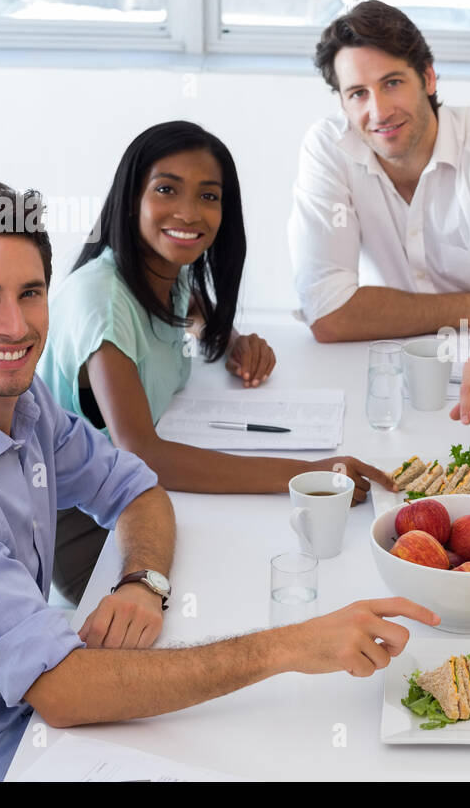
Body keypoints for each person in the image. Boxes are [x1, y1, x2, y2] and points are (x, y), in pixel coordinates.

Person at [0, 181, 438, 781]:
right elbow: (65, 691)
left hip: (19, 717)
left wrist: (143, 580)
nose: (15, 325)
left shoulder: (13, 394)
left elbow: (135, 486)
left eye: (30, 293)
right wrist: (290, 646)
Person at [39, 121, 392, 603]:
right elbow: (143, 453)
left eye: (209, 196)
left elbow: (191, 310)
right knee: (262, 581)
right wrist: (307, 473)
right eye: (166, 189)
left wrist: (232, 342)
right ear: (130, 198)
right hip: (91, 527)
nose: (189, 212)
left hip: (144, 496)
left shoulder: (165, 270)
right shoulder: (101, 301)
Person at [289, 0, 470, 424]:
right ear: (342, 103)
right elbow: (327, 312)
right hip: (390, 371)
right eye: (358, 93)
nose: (378, 111)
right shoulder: (329, 149)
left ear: (429, 77)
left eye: (392, 83)